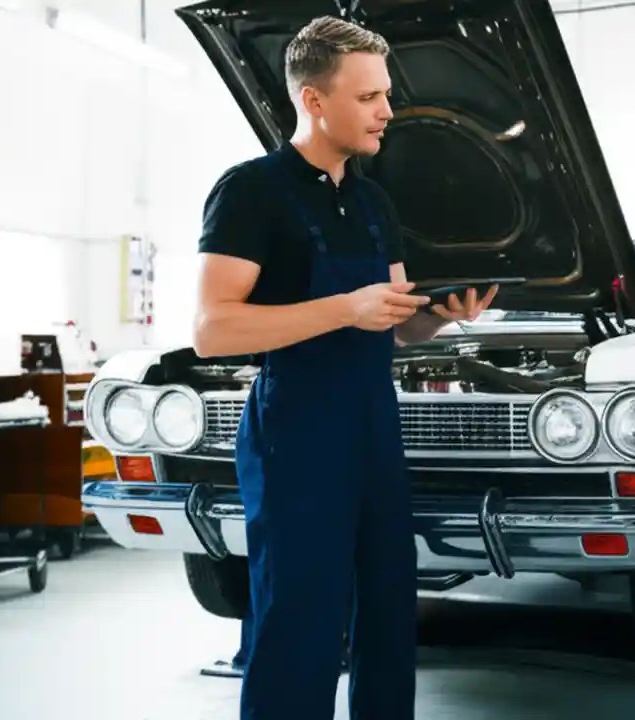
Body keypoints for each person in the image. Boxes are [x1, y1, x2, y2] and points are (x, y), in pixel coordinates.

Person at [191, 16, 497, 720]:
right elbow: (212, 328)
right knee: (299, 623)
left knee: (391, 615)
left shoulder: (371, 201)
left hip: (373, 430)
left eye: (386, 94)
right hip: (295, 431)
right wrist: (344, 307)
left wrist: (442, 314)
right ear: (315, 100)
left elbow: (387, 321)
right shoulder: (251, 192)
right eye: (369, 97)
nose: (388, 111)